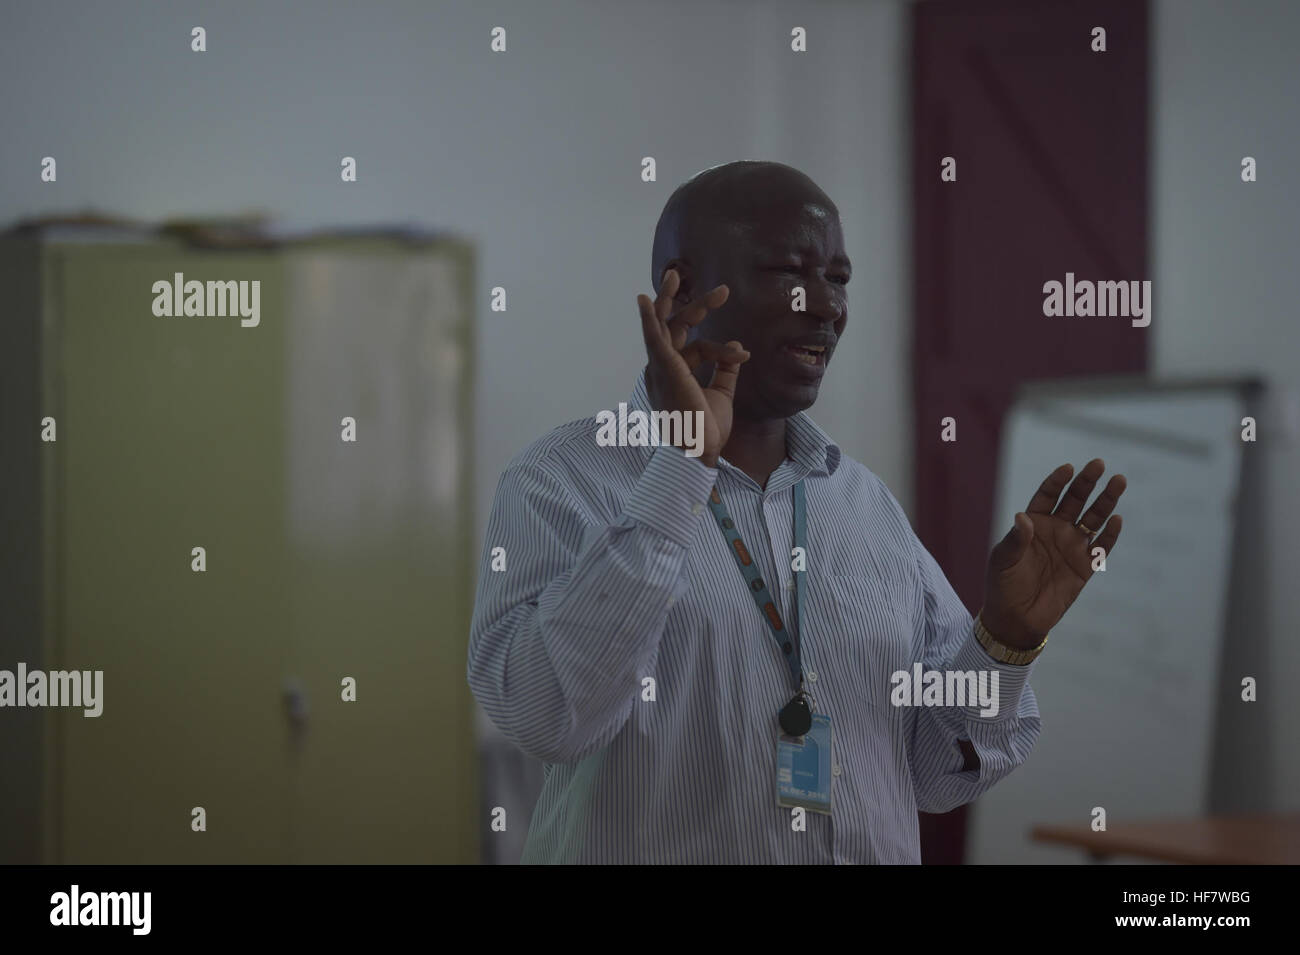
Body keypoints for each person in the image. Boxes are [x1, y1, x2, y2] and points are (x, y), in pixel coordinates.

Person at [467, 160, 1127, 863]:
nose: (826, 306)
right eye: (790, 271)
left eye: (838, 279)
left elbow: (939, 771)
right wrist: (682, 469)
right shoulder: (561, 479)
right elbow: (545, 716)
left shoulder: (862, 504)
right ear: (682, 290)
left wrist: (1005, 639)